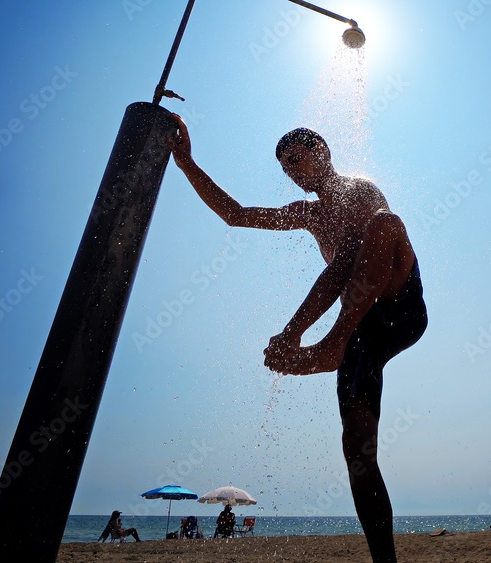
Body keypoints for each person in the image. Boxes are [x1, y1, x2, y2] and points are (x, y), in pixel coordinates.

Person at [166, 121, 427, 563]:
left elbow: (346, 262)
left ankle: (331, 347)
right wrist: (186, 162)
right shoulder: (309, 214)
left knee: (384, 223)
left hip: (397, 304)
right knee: (357, 449)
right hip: (361, 331)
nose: (292, 172)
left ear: (321, 150)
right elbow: (237, 214)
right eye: (285, 169)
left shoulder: (360, 191)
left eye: (295, 160)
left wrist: (296, 332)